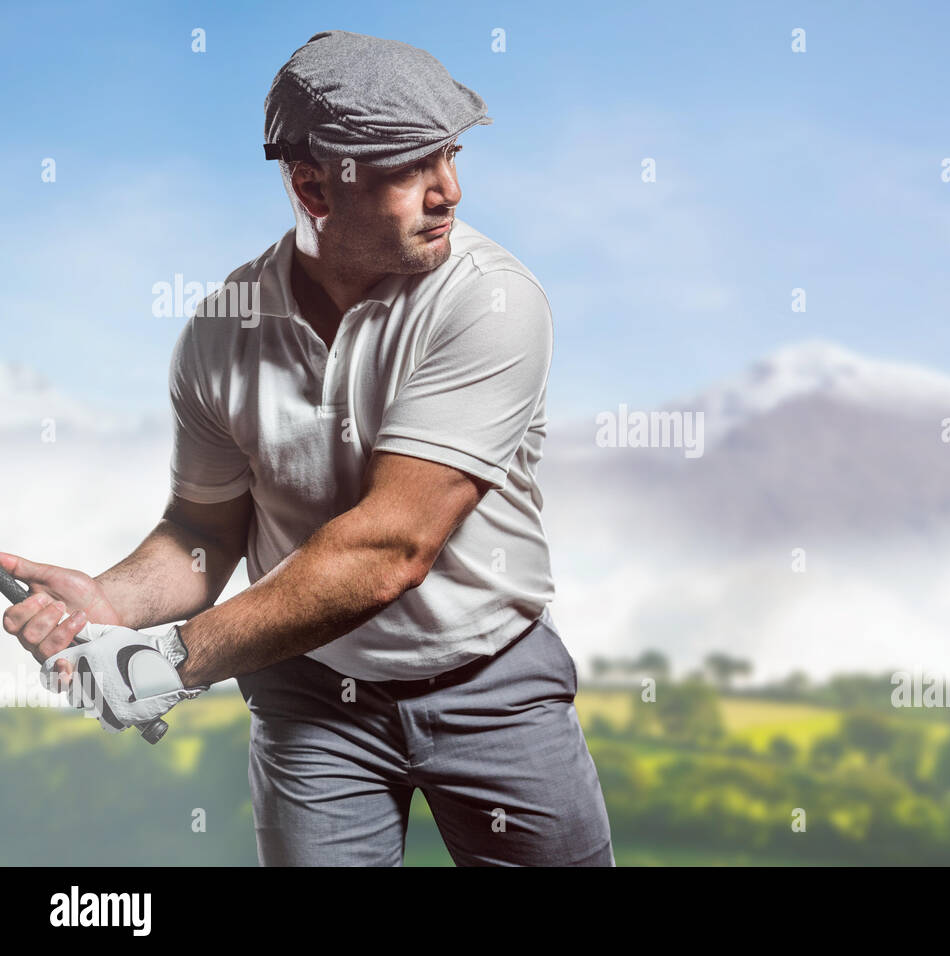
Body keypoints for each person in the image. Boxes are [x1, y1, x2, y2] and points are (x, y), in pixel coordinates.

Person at [0, 29, 614, 867]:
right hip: (311, 700)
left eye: (452, 156)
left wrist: (169, 660)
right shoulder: (222, 331)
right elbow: (204, 531)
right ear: (313, 184)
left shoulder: (492, 302)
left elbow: (390, 549)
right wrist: (112, 606)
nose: (451, 192)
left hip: (492, 687)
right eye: (410, 166)